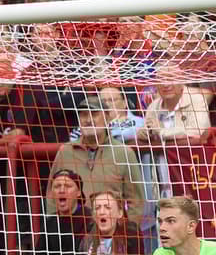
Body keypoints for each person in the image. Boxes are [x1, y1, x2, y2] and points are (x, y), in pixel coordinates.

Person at [48, 96, 145, 228]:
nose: (88, 120)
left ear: (107, 117)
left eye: (94, 114)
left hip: (110, 235)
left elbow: (136, 201)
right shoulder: (65, 152)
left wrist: (129, 233)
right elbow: (51, 195)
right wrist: (54, 228)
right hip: (71, 232)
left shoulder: (124, 153)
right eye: (83, 115)